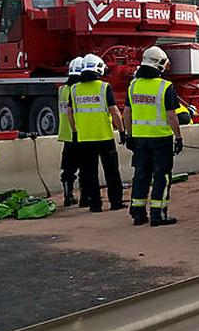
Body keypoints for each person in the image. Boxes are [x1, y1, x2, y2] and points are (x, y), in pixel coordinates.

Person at [124, 46, 183, 226]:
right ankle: (158, 214)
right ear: (160, 64)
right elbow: (171, 116)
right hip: (161, 140)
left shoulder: (133, 85)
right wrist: (178, 137)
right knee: (162, 176)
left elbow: (127, 112)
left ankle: (138, 213)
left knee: (141, 175)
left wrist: (129, 135)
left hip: (140, 139)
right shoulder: (165, 87)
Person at [68, 53, 126, 212]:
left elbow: (69, 113)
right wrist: (121, 130)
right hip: (104, 136)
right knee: (112, 171)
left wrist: (75, 131)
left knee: (89, 173)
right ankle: (115, 202)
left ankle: (95, 205)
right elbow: (114, 111)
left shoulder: (74, 89)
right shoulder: (104, 87)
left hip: (84, 137)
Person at [58, 57, 84, 206]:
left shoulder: (62, 89)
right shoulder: (77, 90)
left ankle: (68, 195)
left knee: (68, 168)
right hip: (79, 133)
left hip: (66, 135)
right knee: (85, 166)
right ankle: (85, 194)